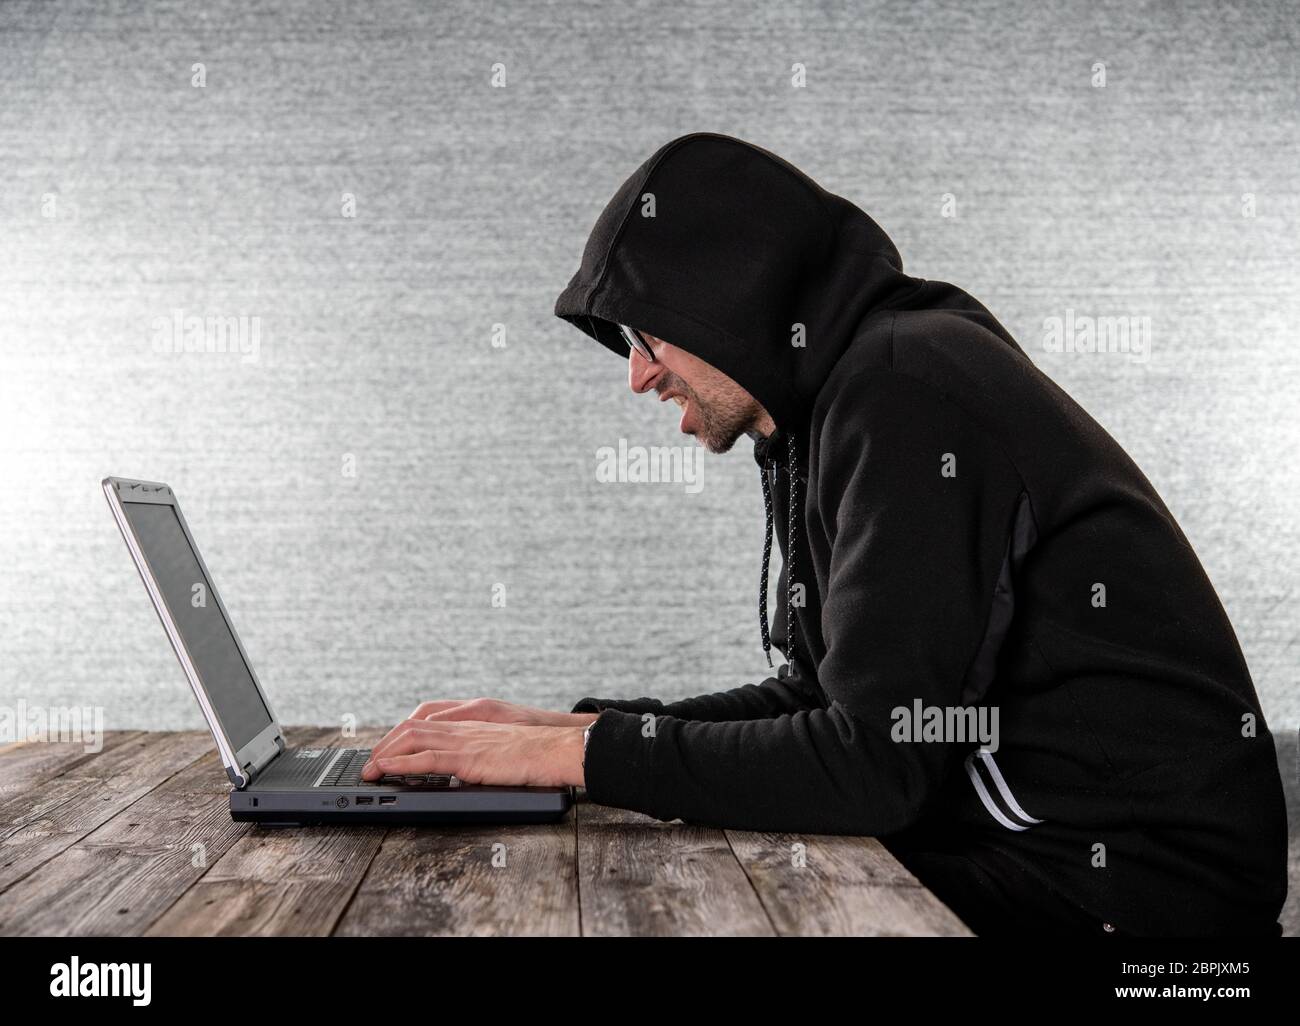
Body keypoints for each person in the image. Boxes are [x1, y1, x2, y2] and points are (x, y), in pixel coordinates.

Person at [363, 133, 1287, 937]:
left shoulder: (907, 388)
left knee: (684, 902)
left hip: (1152, 918)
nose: (637, 377)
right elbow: (821, 700)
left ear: (721, 298)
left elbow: (870, 763)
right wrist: (586, 730)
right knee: (663, 872)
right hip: (1036, 854)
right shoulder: (840, 401)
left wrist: (581, 758)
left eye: (647, 337)